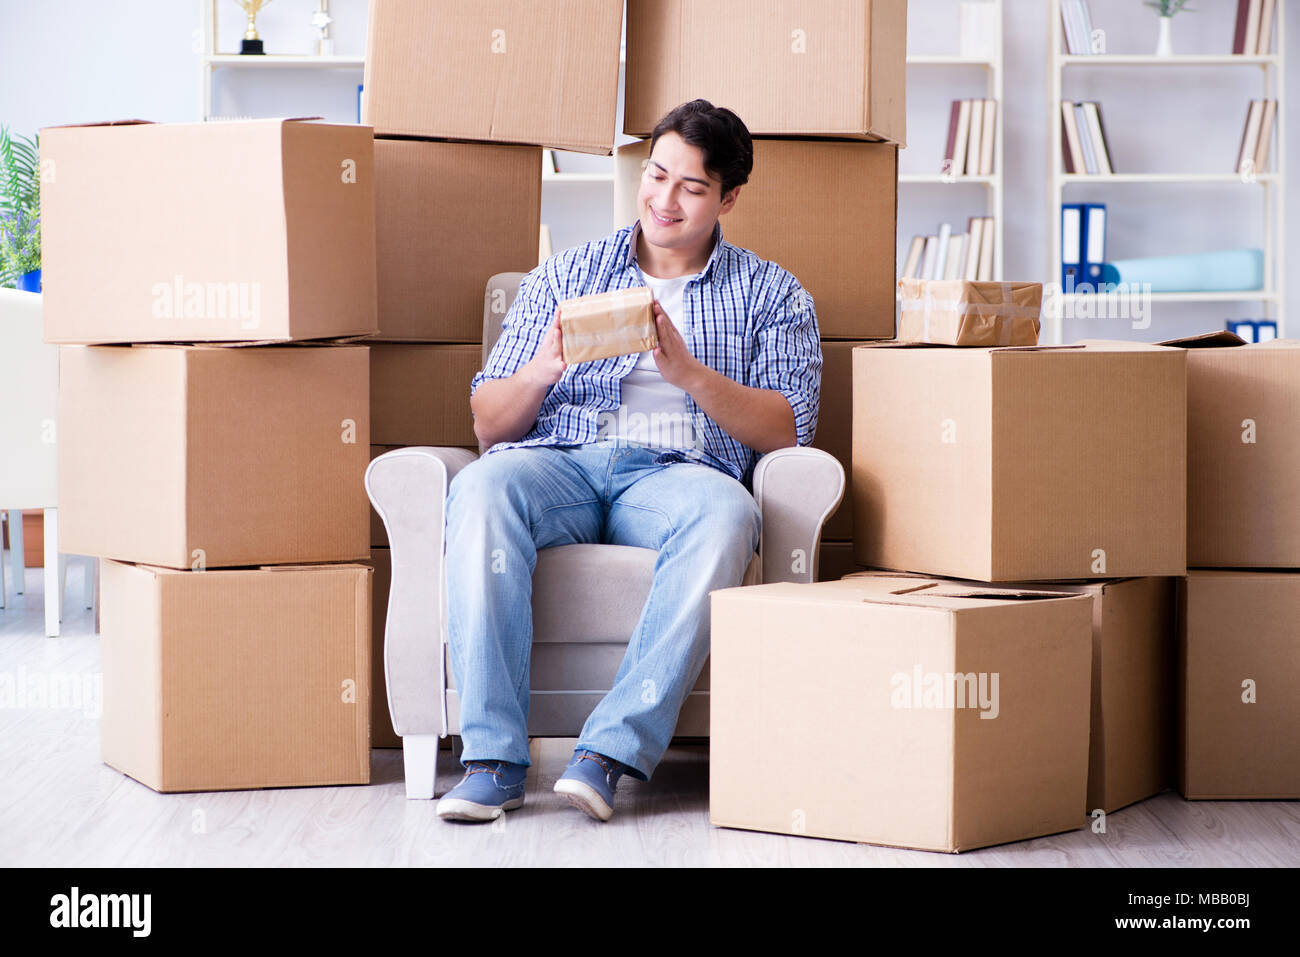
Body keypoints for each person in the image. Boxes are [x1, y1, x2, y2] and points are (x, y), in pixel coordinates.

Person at [436, 98, 821, 823]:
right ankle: (492, 759)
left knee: (728, 513)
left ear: (729, 198)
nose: (664, 199)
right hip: (562, 461)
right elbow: (489, 422)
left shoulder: (773, 292)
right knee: (484, 488)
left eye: (691, 186)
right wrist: (542, 369)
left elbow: (789, 426)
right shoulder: (565, 274)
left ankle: (606, 753)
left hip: (680, 474)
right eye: (657, 174)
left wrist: (690, 374)